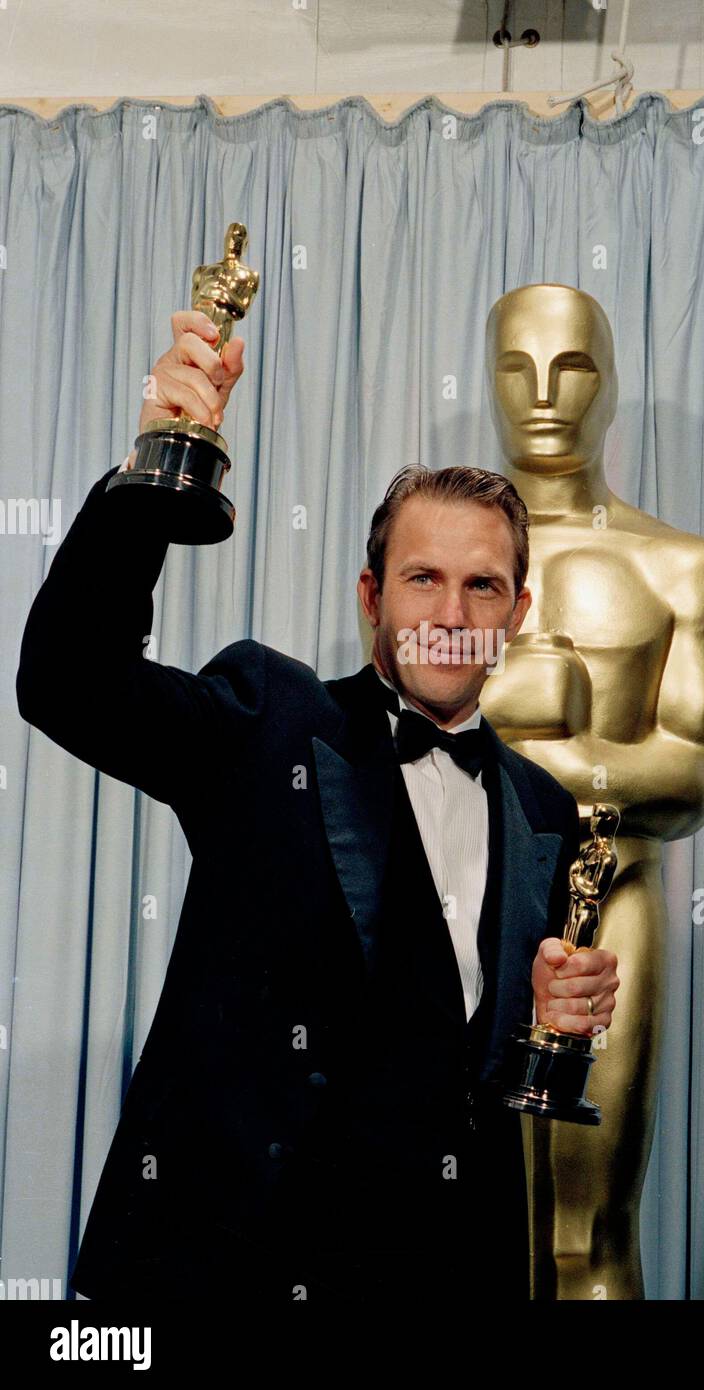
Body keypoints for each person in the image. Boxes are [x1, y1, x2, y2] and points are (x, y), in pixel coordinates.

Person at [16, 309, 620, 1302]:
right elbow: (66, 680)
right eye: (421, 579)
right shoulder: (268, 720)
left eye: (481, 587)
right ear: (369, 595)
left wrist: (551, 1028)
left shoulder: (542, 809)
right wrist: (155, 465)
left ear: (517, 612)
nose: (449, 616)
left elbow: (472, 1061)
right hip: (233, 1266)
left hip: (440, 1273)